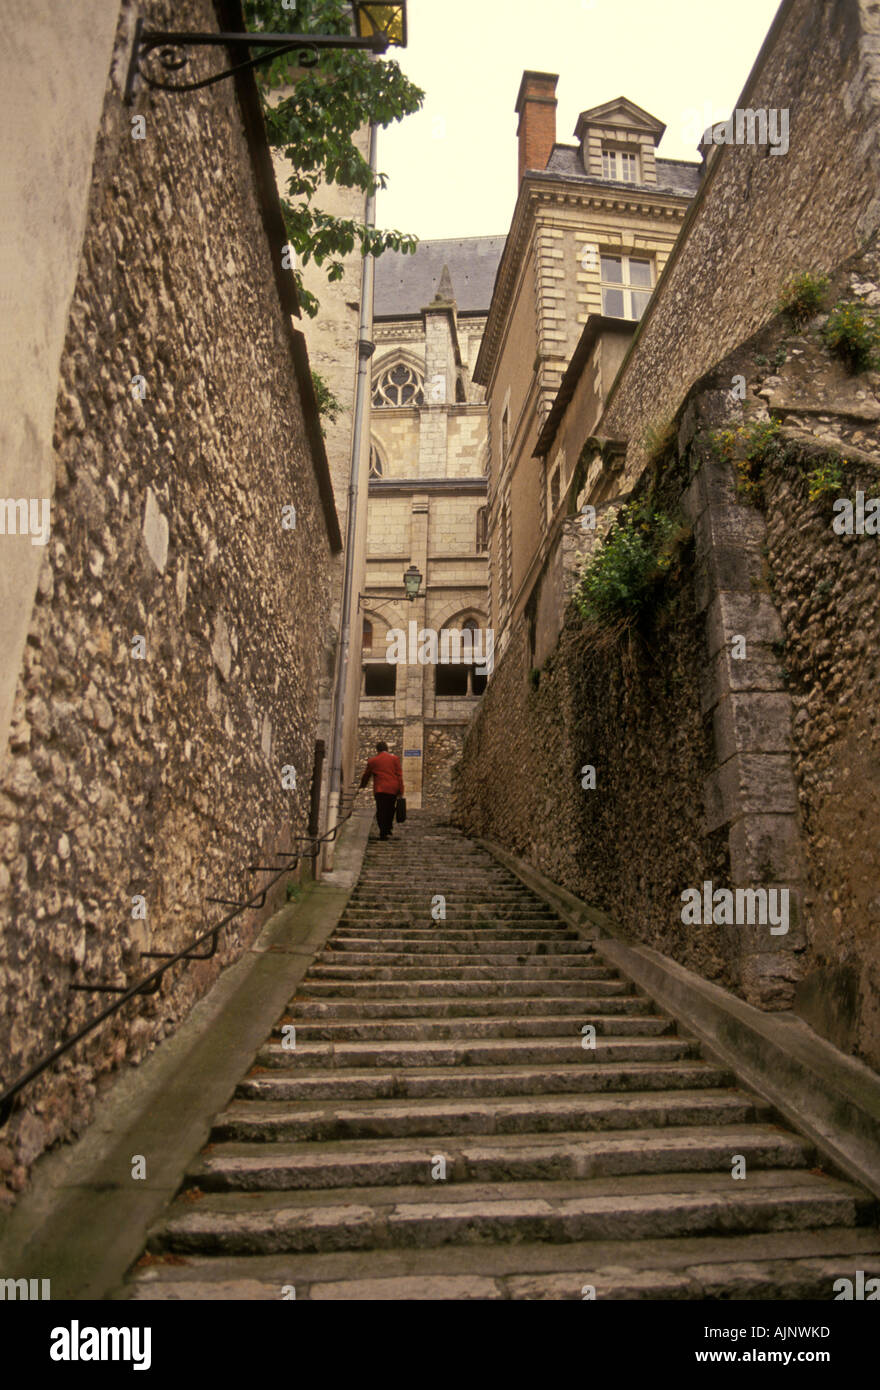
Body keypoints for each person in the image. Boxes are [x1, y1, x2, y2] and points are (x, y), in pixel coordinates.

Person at [360, 741, 404, 840]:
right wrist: (401, 790)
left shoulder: (373, 761)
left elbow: (367, 775)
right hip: (393, 788)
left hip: (380, 789)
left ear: (377, 750)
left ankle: (383, 831)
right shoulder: (394, 759)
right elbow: (399, 776)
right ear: (387, 749)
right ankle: (388, 828)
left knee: (381, 810)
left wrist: (362, 785)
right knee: (390, 809)